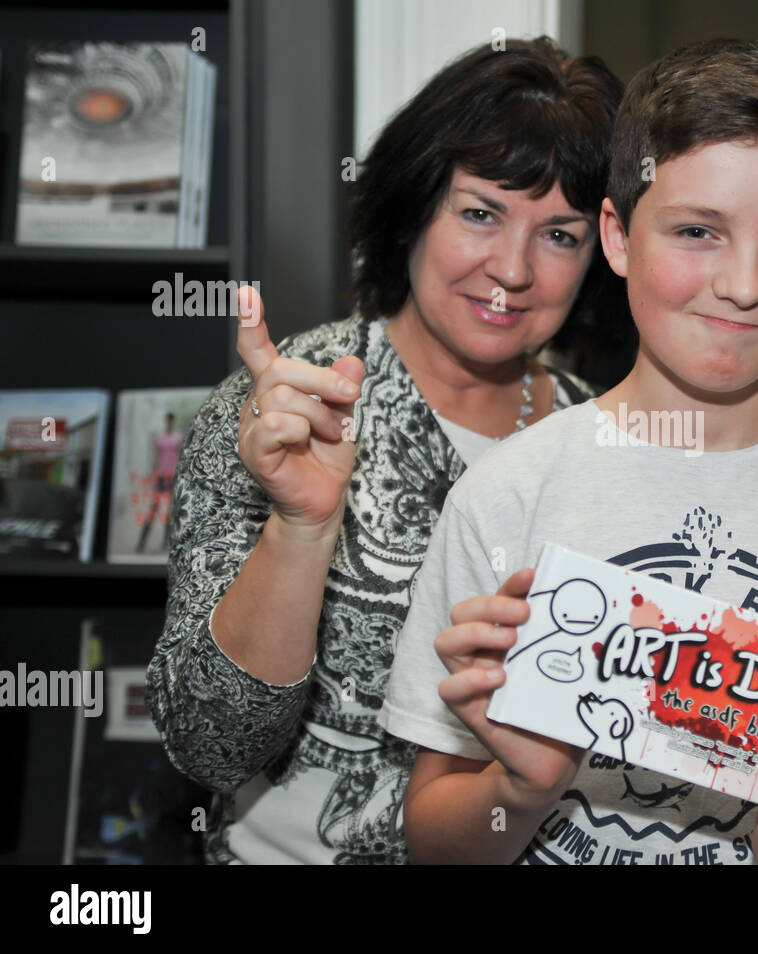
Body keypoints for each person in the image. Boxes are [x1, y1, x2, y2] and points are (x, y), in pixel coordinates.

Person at [380, 38, 758, 866]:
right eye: (698, 230)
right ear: (617, 238)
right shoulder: (505, 496)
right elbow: (434, 844)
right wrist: (520, 788)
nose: (744, 283)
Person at [146, 38, 625, 864]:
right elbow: (212, 748)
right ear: (412, 208)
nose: (511, 269)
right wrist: (300, 529)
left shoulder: (608, 444)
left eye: (560, 234)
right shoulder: (285, 408)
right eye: (479, 212)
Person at [136, 411, 182, 552]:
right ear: (165, 421)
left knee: (169, 511)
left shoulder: (178, 437)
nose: (169, 423)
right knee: (153, 509)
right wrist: (153, 476)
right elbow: (155, 459)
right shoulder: (159, 439)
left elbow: (181, 455)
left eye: (171, 421)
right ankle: (141, 543)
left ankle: (165, 543)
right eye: (167, 420)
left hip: (172, 476)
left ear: (173, 422)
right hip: (161, 476)